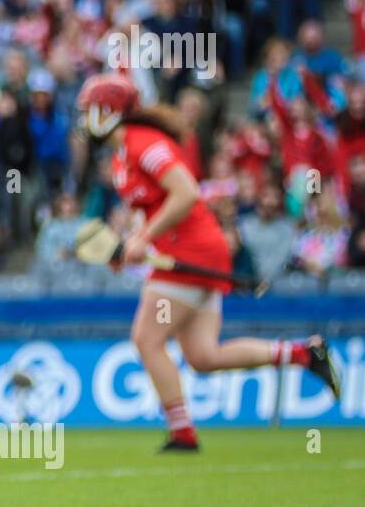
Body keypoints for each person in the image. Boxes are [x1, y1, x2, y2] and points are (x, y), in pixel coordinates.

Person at [75, 73, 340, 452]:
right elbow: (148, 210)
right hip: (187, 253)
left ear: (109, 112)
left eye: (89, 111)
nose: (84, 119)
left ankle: (182, 432)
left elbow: (185, 193)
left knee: (147, 339)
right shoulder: (121, 156)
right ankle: (301, 353)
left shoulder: (143, 143)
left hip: (191, 252)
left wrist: (143, 239)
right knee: (203, 355)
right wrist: (128, 248)